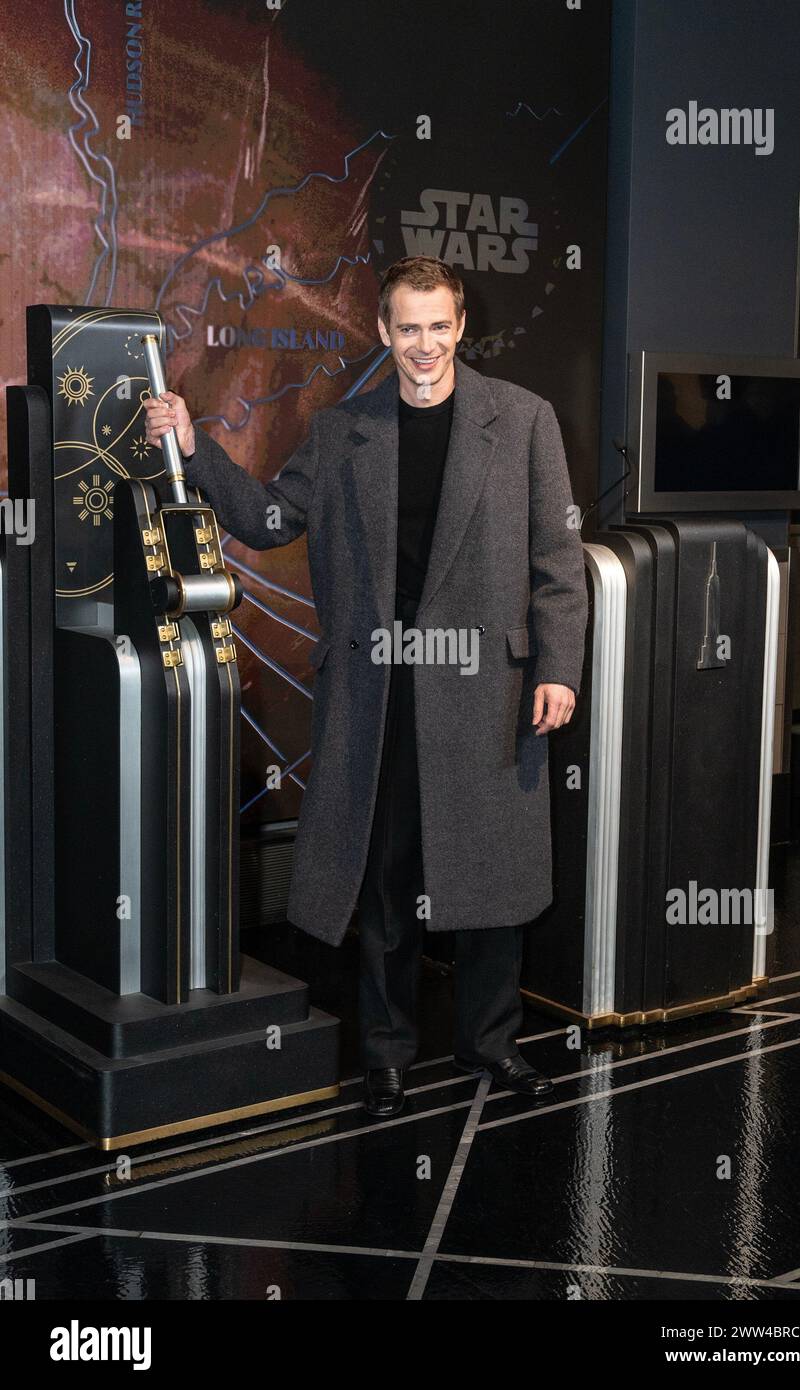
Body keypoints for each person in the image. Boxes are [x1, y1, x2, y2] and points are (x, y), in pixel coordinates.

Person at [143, 255, 588, 1118]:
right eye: (407, 328)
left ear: (462, 327)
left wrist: (559, 668)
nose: (424, 345)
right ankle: (386, 1055)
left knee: (493, 882)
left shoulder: (523, 420)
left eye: (439, 326)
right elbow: (271, 518)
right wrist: (194, 450)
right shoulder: (346, 430)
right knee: (385, 884)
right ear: (385, 332)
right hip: (380, 691)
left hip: (487, 685)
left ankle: (490, 1045)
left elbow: (558, 562)